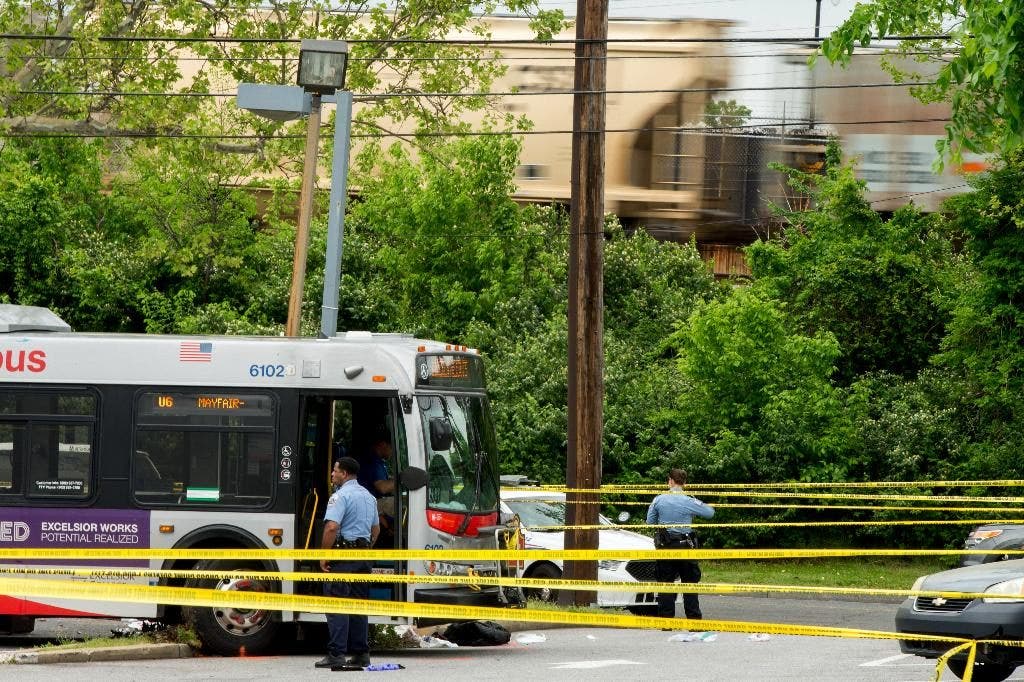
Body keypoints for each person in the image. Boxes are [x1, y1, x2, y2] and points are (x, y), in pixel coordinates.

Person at [316, 457, 380, 670]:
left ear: (344, 473)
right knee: (359, 606)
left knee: (337, 605)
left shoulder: (340, 496)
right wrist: (364, 548)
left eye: (334, 471)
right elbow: (376, 530)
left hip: (343, 558)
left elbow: (332, 527)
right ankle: (361, 654)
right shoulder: (369, 497)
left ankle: (336, 655)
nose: (332, 474)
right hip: (363, 558)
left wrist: (324, 555)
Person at [646, 467, 715, 622]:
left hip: (665, 546)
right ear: (684, 482)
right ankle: (694, 620)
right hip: (686, 546)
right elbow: (710, 513)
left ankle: (666, 621)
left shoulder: (658, 499)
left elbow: (650, 521)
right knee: (690, 584)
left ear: (670, 481)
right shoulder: (688, 500)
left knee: (665, 584)